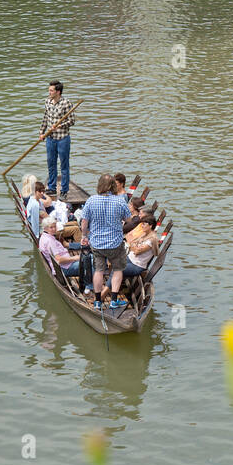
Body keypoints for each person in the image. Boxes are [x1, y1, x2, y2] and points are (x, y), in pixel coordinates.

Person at [80, 173, 132, 311]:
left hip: (97, 243)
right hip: (115, 243)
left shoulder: (91, 200)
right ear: (113, 186)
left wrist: (84, 236)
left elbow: (84, 222)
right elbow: (129, 220)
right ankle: (114, 300)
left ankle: (97, 301)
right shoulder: (120, 201)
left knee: (99, 270)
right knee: (118, 269)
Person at [38, 80, 75, 197]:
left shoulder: (66, 103)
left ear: (58, 92)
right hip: (50, 138)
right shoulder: (47, 101)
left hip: (63, 138)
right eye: (49, 90)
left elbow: (72, 121)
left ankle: (64, 190)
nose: (49, 92)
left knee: (64, 165)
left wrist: (60, 125)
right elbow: (45, 118)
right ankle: (52, 187)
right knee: (51, 163)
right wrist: (41, 132)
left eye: (51, 90)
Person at [122, 211, 160, 277]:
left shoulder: (152, 239)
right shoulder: (144, 234)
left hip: (137, 264)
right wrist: (133, 245)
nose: (142, 226)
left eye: (143, 224)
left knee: (117, 268)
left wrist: (133, 245)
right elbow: (128, 237)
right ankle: (106, 286)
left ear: (150, 226)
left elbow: (136, 250)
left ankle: (106, 287)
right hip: (131, 258)